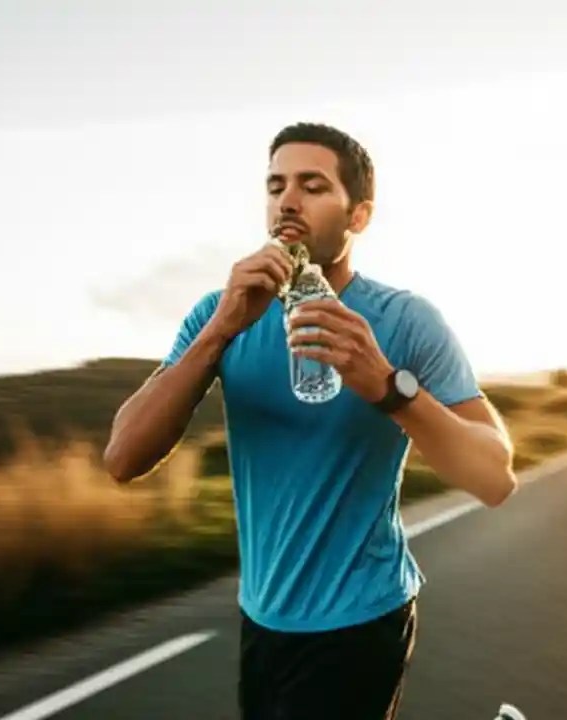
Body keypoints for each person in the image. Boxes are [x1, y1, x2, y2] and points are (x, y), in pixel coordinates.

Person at [102, 121, 519, 719]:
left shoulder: (405, 321)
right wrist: (221, 331)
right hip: (262, 615)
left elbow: (495, 476)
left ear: (359, 216)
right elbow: (122, 458)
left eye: (313, 186)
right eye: (276, 186)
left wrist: (388, 386)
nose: (287, 201)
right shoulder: (221, 312)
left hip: (362, 615)